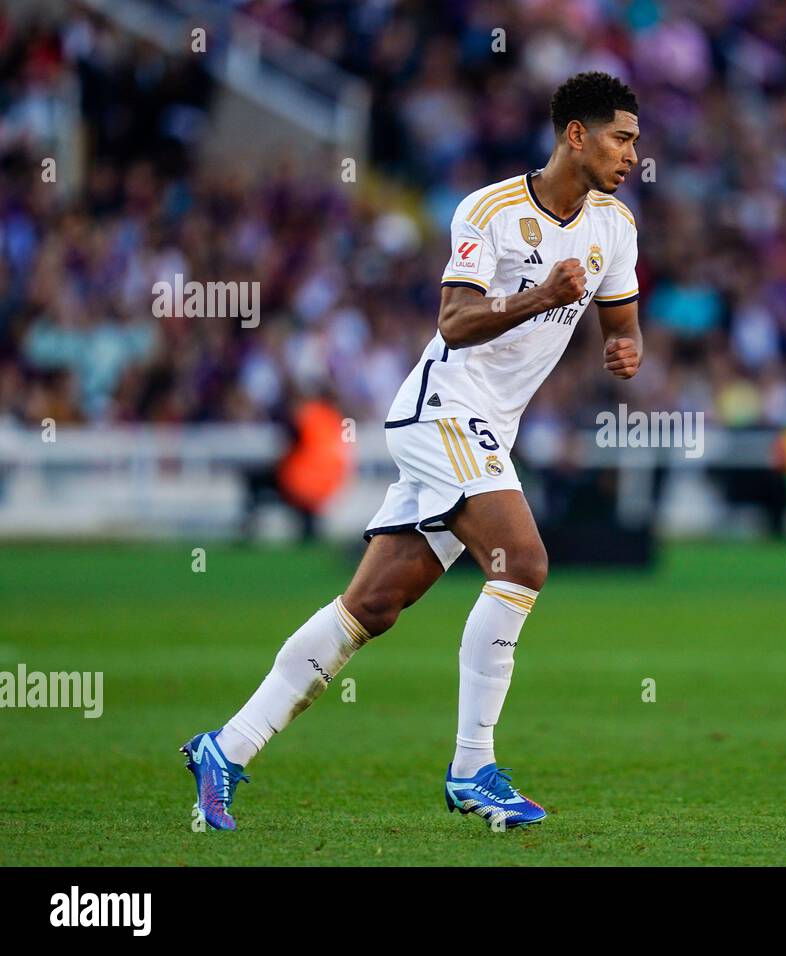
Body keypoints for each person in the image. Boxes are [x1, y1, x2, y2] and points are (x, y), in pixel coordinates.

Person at [182, 71, 643, 829]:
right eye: (621, 138)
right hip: (443, 412)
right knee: (522, 561)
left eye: (635, 141)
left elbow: (621, 321)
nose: (631, 155)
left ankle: (225, 749)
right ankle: (473, 768)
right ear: (576, 135)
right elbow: (455, 321)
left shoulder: (615, 227)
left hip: (490, 430)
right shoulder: (489, 210)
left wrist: (625, 347)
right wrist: (539, 297)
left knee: (371, 606)